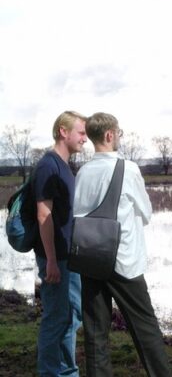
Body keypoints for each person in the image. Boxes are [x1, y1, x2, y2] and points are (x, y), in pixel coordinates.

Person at [73, 113, 171, 376]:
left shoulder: (83, 172)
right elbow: (146, 213)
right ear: (109, 135)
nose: (119, 136)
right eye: (119, 132)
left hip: (90, 259)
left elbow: (78, 215)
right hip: (123, 259)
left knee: (95, 333)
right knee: (145, 328)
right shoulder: (128, 169)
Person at [32, 111, 87, 376]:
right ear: (63, 132)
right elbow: (44, 214)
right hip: (56, 258)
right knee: (56, 319)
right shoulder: (48, 165)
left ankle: (66, 372)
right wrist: (51, 261)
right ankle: (50, 372)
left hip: (68, 256)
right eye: (81, 132)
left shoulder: (65, 166)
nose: (85, 138)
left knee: (72, 315)